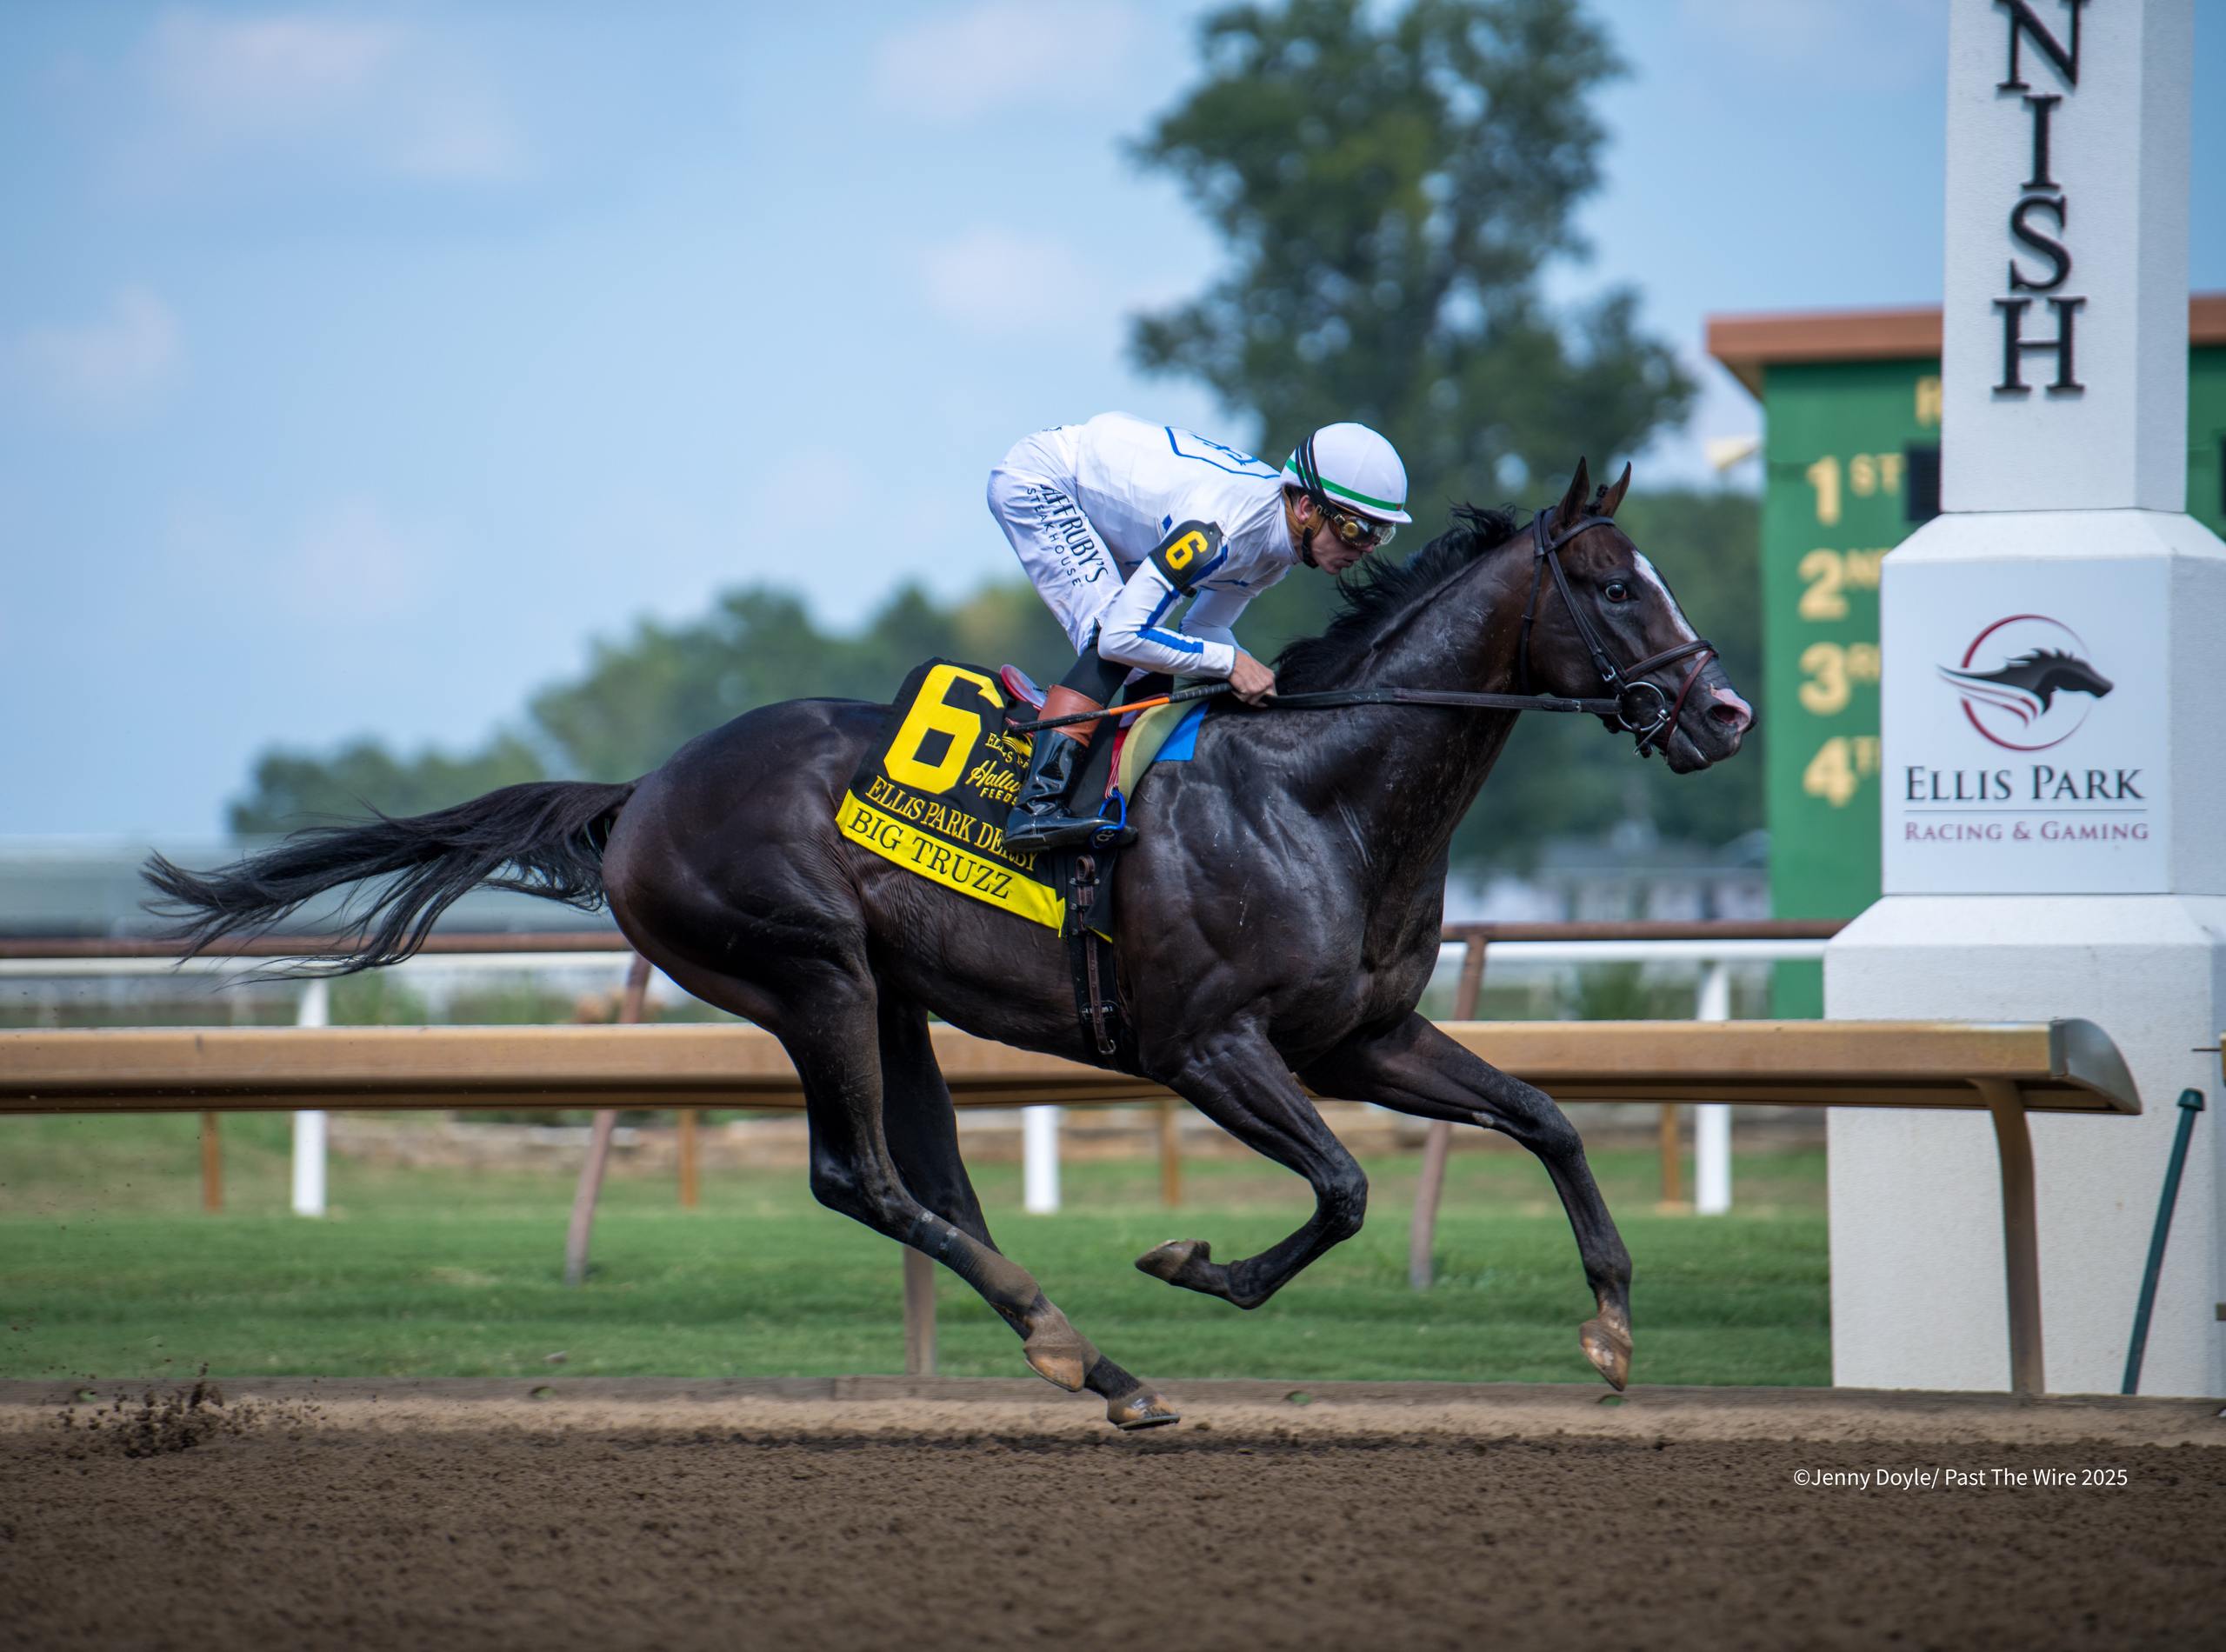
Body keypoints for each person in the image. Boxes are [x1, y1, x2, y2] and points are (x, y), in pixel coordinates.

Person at [987, 414, 1410, 853]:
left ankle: (1115, 802)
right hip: (1041, 481)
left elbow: (1204, 627)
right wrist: (1231, 663)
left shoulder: (1277, 548)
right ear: (1306, 507)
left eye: (1380, 534)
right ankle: (1036, 809)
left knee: (1156, 657)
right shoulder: (1222, 530)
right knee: (1117, 638)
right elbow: (1120, 638)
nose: (1363, 549)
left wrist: (1265, 684)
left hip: (1111, 505)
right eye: (1354, 528)